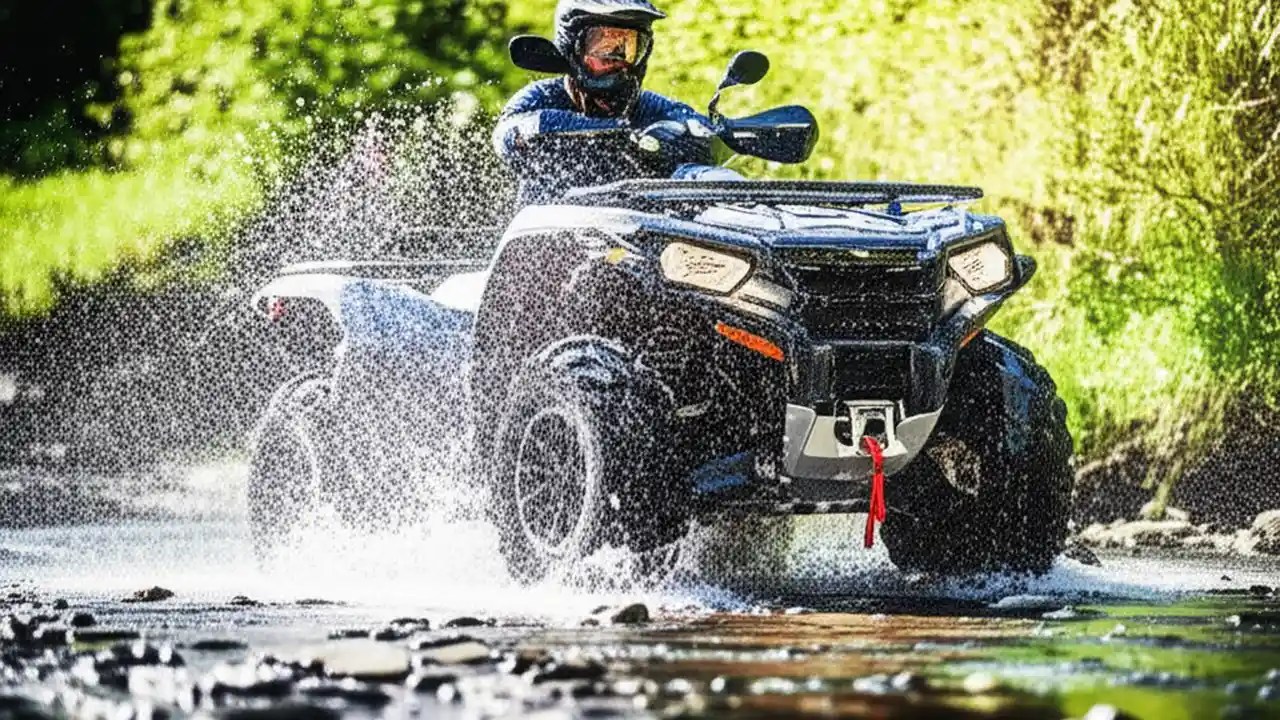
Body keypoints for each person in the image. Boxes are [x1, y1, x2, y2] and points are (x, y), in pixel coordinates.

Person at [493, 0, 739, 204]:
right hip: (552, 240)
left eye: (630, 46)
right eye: (605, 46)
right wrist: (599, 131)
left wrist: (697, 133)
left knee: (714, 179)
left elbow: (698, 129)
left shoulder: (649, 108)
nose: (619, 58)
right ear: (572, 48)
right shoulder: (540, 98)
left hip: (641, 242)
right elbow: (507, 136)